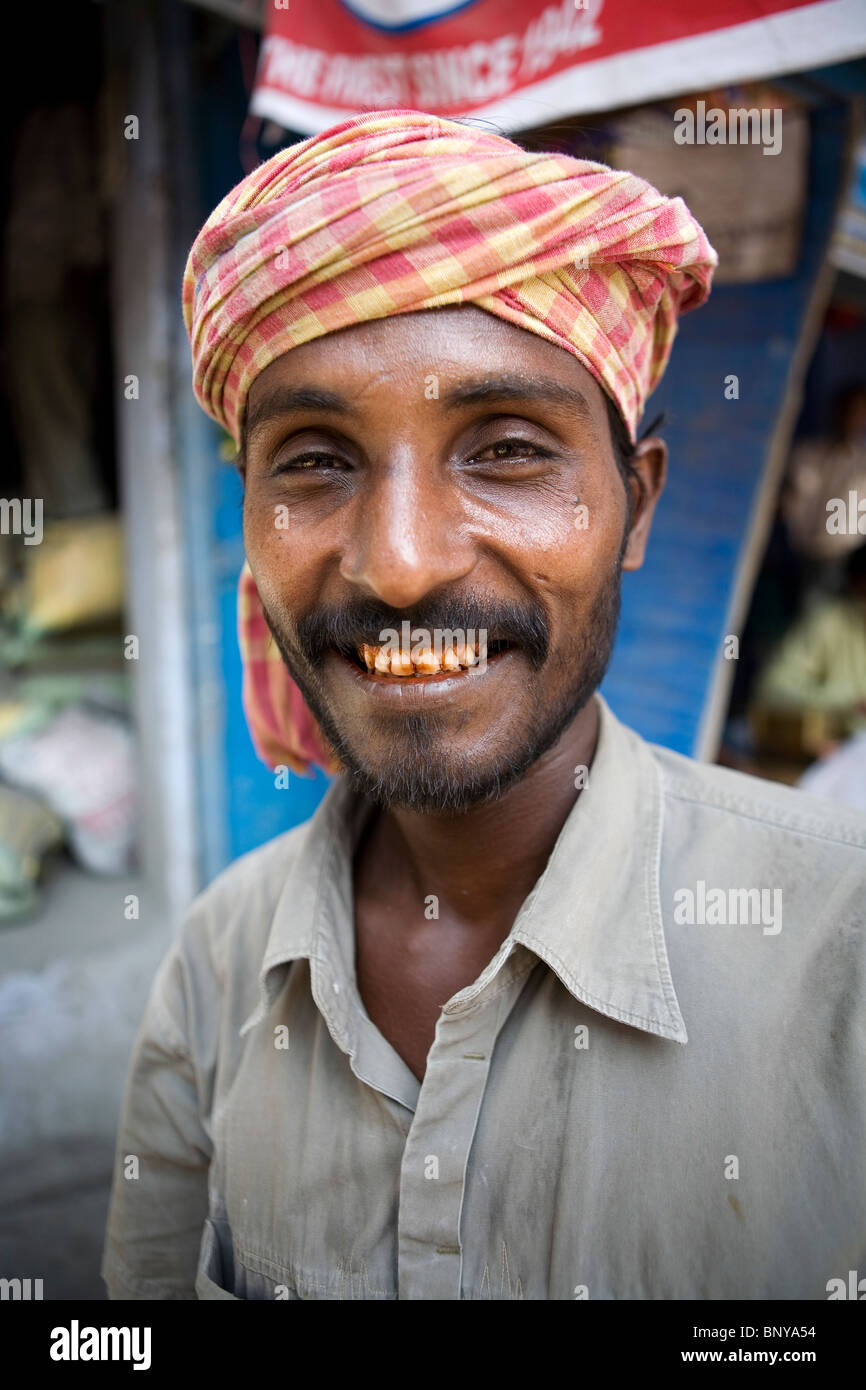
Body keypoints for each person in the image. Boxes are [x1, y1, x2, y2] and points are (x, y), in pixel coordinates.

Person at [102, 109, 866, 1302]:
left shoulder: (840, 956)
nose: (400, 564)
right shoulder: (215, 964)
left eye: (505, 449)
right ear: (248, 521)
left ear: (636, 503)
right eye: (313, 459)